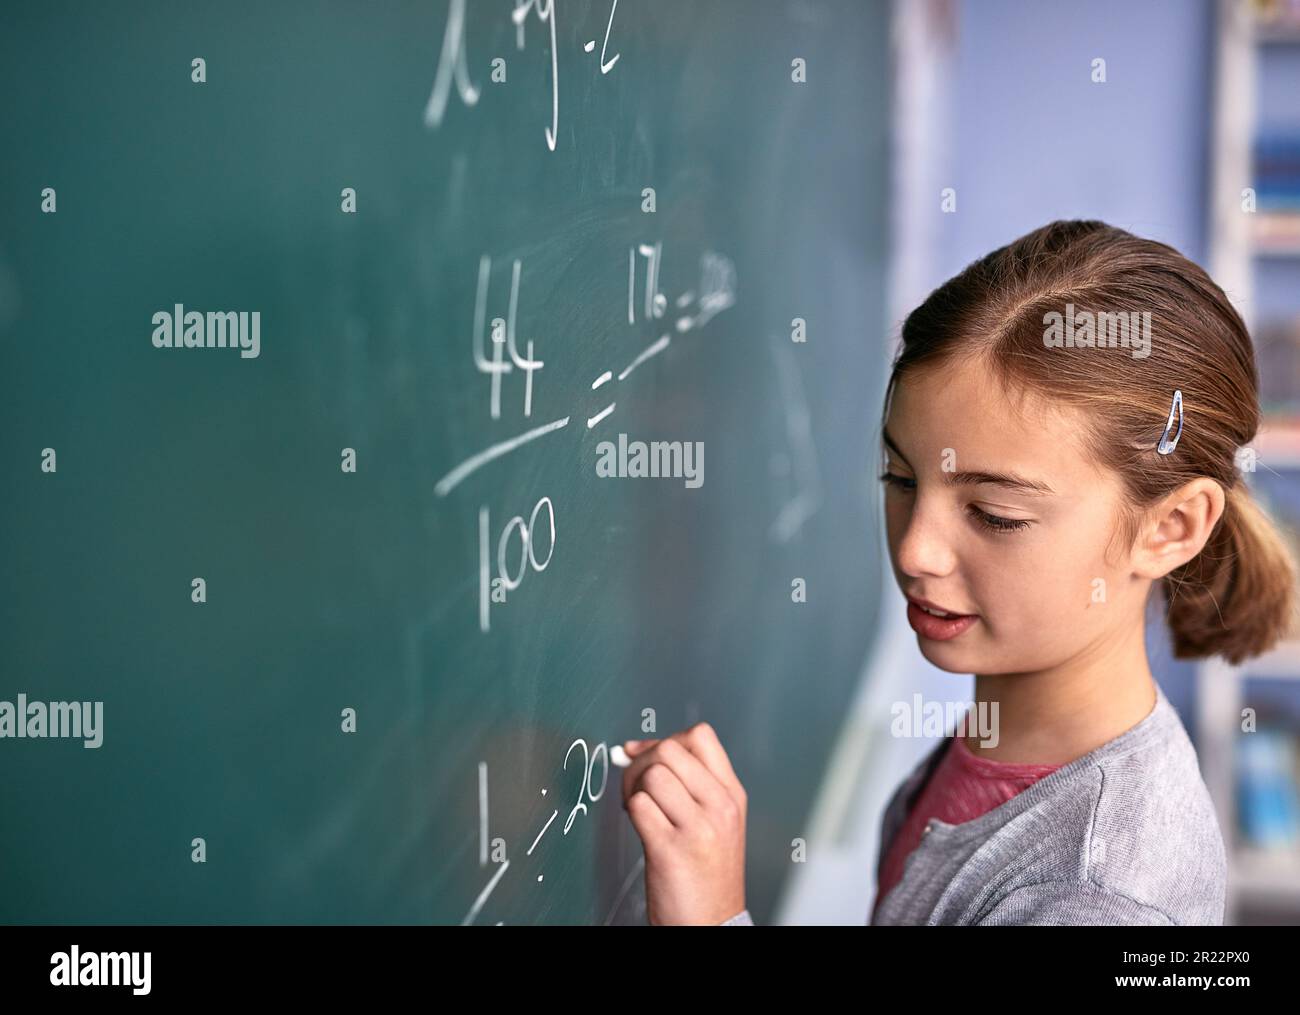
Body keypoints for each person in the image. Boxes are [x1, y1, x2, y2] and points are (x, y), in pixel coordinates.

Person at [619, 220, 1299, 925]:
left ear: (1171, 528)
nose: (916, 549)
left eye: (994, 513)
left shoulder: (1099, 899)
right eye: (899, 476)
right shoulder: (1009, 735)